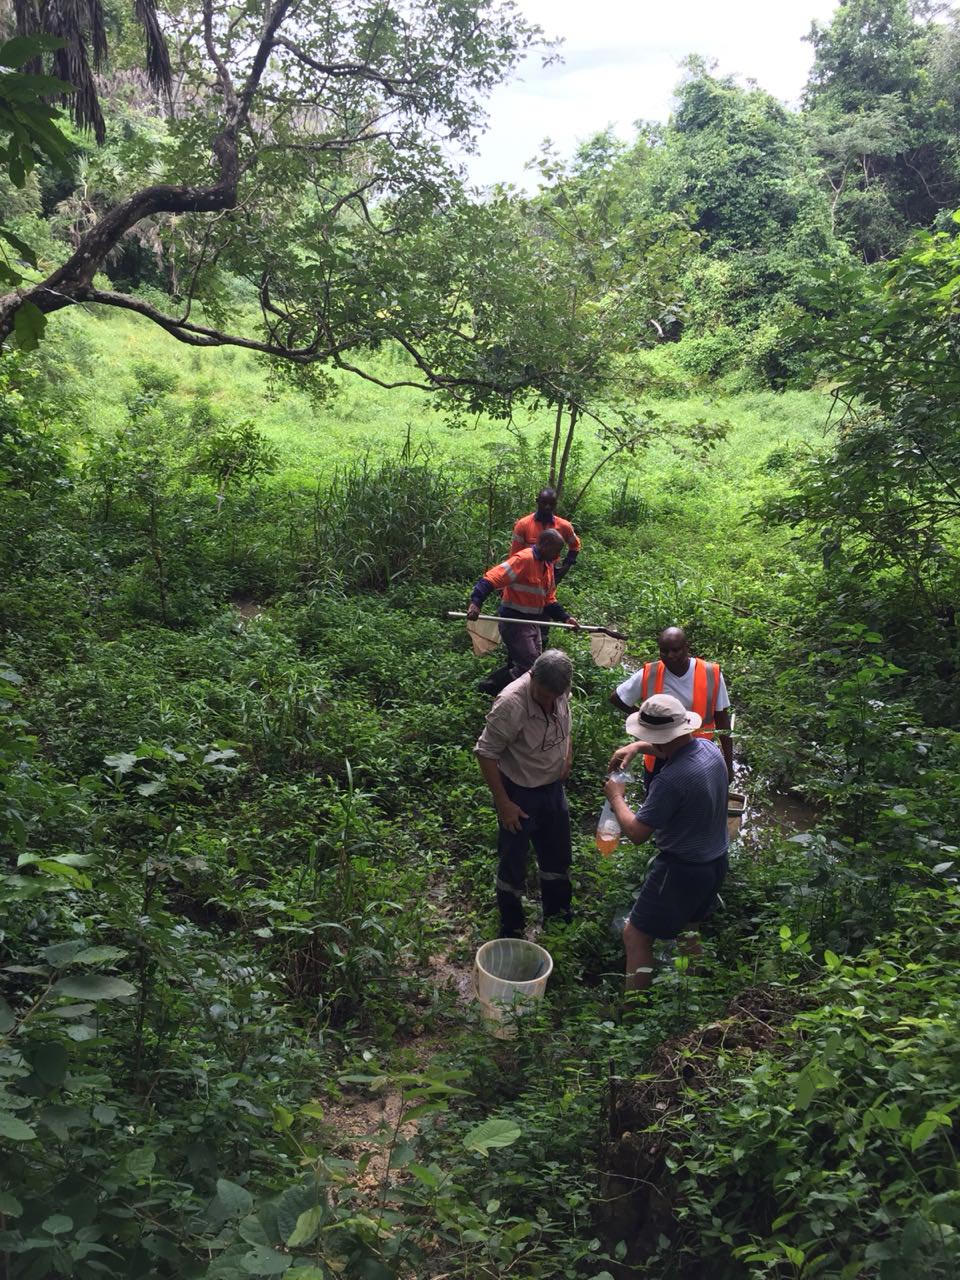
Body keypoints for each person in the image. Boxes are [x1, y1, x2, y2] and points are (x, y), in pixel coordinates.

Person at [604, 693, 729, 992]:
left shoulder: (671, 780)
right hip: (715, 861)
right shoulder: (709, 750)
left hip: (680, 870)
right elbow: (670, 749)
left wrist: (616, 797)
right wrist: (638, 746)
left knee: (635, 936)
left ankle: (633, 1012)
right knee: (689, 930)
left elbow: (637, 833)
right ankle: (692, 998)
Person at [475, 649, 575, 938]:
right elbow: (485, 753)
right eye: (542, 695)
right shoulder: (510, 703)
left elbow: (566, 724)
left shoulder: (559, 688)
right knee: (513, 861)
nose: (548, 701)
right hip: (519, 792)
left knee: (557, 857)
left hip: (552, 788)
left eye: (554, 696)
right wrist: (503, 802)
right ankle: (512, 926)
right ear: (532, 676)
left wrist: (566, 755)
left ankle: (558, 919)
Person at [609, 626, 732, 784]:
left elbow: (723, 721)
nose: (670, 656)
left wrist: (728, 765)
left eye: (675, 650)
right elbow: (617, 698)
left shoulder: (710, 674)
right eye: (664, 651)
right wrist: (646, 718)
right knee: (657, 798)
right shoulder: (651, 673)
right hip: (660, 754)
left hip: (698, 753)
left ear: (686, 648)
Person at [467, 528, 579, 694]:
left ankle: (496, 687)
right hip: (515, 622)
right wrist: (476, 603)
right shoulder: (524, 559)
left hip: (533, 622)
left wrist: (565, 618)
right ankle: (491, 689)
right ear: (545, 545)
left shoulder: (547, 566)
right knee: (530, 667)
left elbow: (548, 600)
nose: (558, 555)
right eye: (556, 550)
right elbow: (492, 578)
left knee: (535, 664)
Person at [511, 487, 581, 583]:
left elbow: (575, 546)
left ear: (556, 504)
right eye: (544, 503)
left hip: (550, 578)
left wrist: (566, 566)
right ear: (537, 501)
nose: (548, 507)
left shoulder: (564, 526)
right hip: (526, 576)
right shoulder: (523, 524)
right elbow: (514, 555)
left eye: (551, 504)